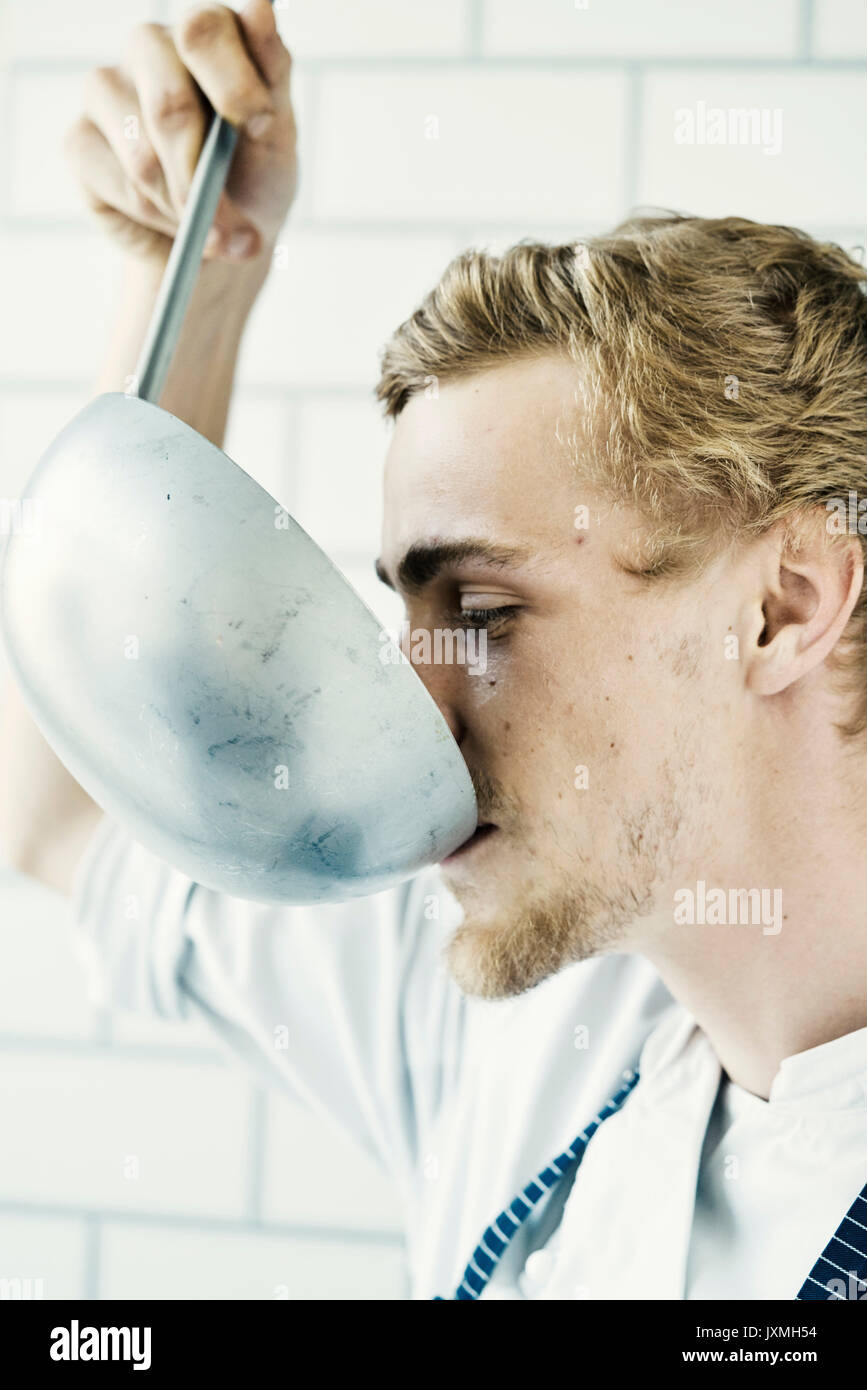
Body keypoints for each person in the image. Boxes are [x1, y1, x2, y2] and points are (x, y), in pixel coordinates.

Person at [2, 0, 866, 1302]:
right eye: (402, 610)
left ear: (783, 606)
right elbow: (70, 800)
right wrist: (196, 273)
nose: (408, 692)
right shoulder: (525, 1010)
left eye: (483, 606)